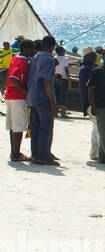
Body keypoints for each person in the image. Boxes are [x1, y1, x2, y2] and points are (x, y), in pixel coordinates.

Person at [26, 35, 59, 166]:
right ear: (52, 47)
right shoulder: (48, 60)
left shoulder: (34, 57)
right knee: (46, 128)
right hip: (43, 98)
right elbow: (46, 82)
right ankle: (44, 157)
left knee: (35, 128)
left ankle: (35, 155)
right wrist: (52, 102)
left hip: (32, 97)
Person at [5, 38, 35, 161]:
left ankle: (14, 152)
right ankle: (16, 154)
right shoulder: (22, 61)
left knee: (13, 126)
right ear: (26, 49)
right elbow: (14, 78)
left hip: (10, 95)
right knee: (19, 126)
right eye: (32, 49)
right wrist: (26, 91)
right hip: (18, 97)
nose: (34, 51)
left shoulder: (15, 57)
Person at [77, 50, 99, 118]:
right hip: (90, 97)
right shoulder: (89, 69)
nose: (95, 59)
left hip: (85, 96)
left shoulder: (84, 67)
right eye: (92, 57)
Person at [53, 45, 71, 117]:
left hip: (55, 78)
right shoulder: (65, 59)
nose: (65, 51)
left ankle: (55, 112)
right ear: (61, 51)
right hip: (63, 78)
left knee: (56, 95)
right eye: (64, 50)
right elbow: (66, 70)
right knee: (63, 96)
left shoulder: (54, 58)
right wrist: (69, 80)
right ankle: (63, 113)